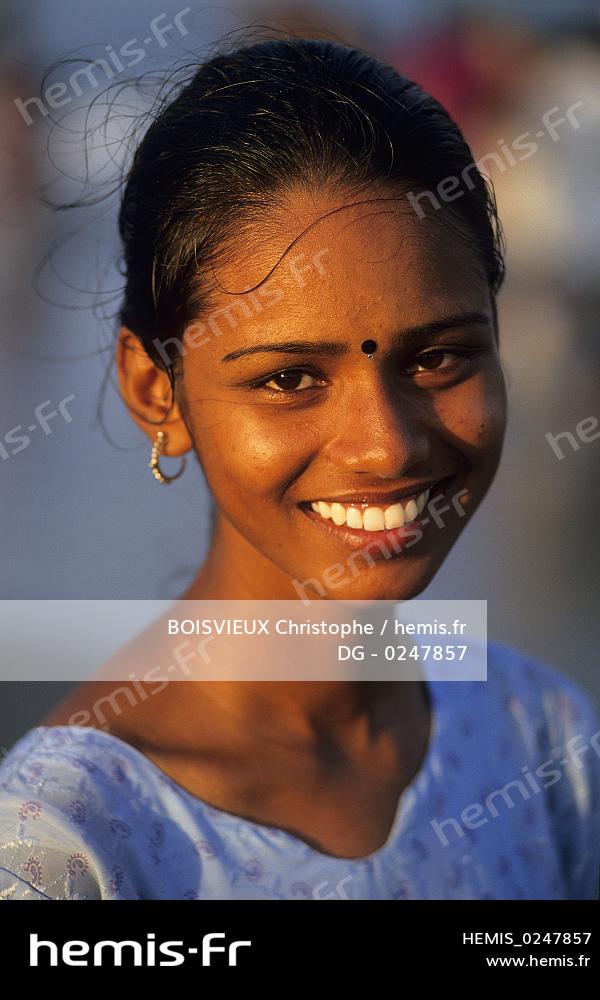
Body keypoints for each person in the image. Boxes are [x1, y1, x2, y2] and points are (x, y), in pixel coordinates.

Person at [0, 37, 598, 901]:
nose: (386, 445)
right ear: (155, 391)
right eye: (289, 379)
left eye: (438, 358)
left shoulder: (541, 740)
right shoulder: (68, 849)